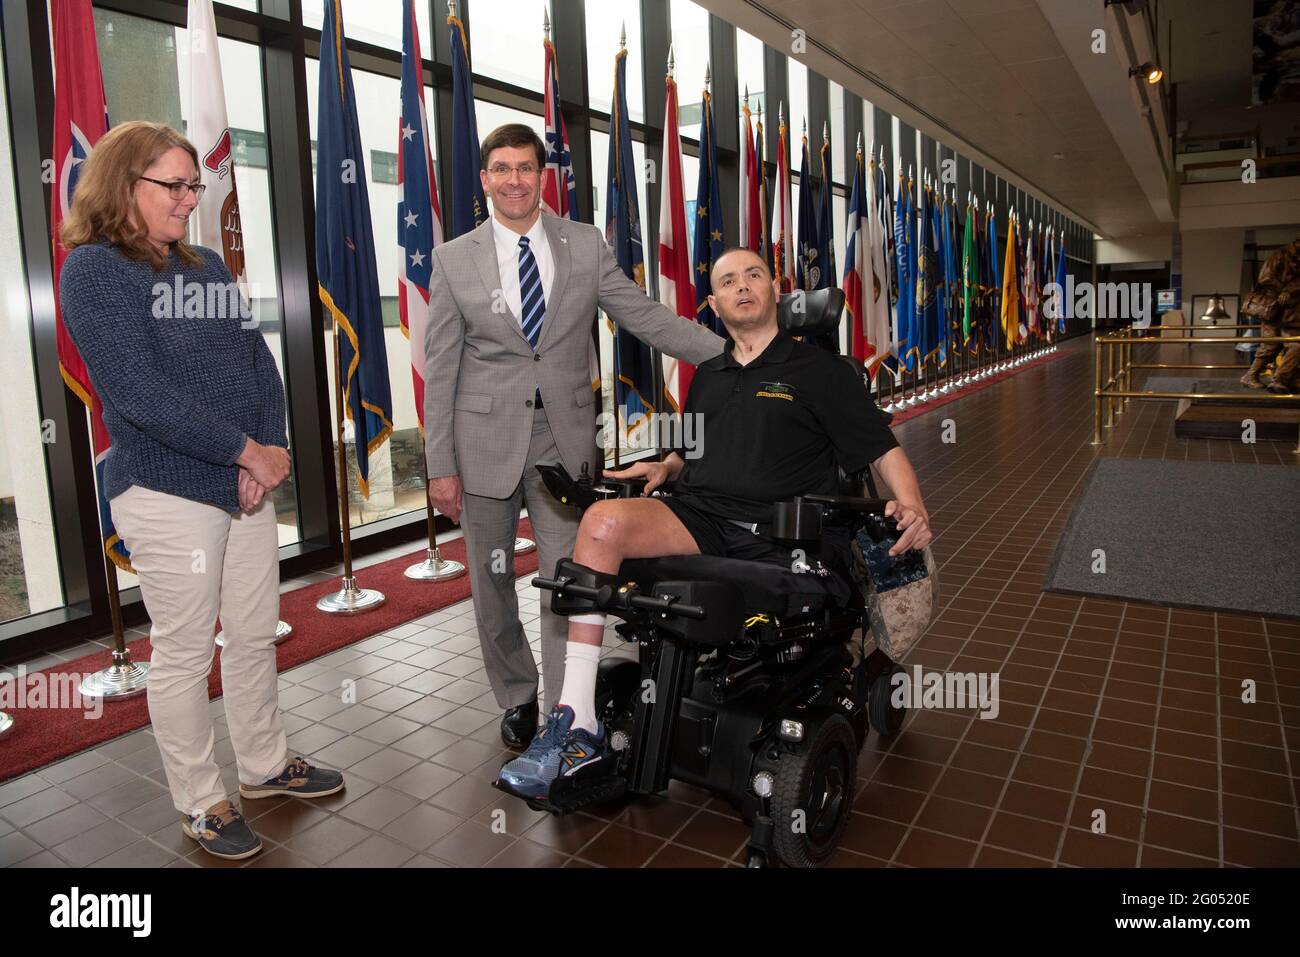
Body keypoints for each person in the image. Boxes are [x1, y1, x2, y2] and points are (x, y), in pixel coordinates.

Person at [498, 247, 933, 799]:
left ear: (776, 290)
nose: (743, 286)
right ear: (713, 304)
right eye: (729, 281)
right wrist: (667, 464)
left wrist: (912, 503)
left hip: (782, 536)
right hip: (703, 517)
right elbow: (694, 451)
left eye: (754, 275)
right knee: (602, 520)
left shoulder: (822, 372)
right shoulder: (708, 373)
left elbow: (881, 450)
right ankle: (576, 720)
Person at [59, 121, 342, 861]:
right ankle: (201, 800)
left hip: (243, 485)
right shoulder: (93, 271)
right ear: (125, 185)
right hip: (165, 491)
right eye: (175, 185)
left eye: (195, 184)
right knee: (184, 654)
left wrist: (267, 451)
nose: (191, 198)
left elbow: (255, 359)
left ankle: (264, 765)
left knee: (253, 634)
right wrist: (244, 449)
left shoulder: (207, 266)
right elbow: (137, 394)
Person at [422, 124, 726, 748]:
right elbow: (441, 369)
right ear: (484, 180)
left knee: (572, 578)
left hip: (564, 442)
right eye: (501, 169)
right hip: (481, 447)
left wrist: (735, 354)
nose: (514, 179)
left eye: (525, 168)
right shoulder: (454, 259)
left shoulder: (585, 246)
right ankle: (516, 691)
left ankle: (567, 707)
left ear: (542, 176)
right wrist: (439, 466)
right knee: (492, 581)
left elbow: (643, 316)